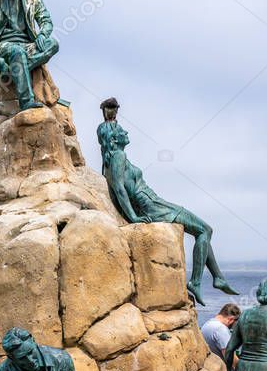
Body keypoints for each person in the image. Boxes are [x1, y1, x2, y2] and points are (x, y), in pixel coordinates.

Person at [101, 122, 238, 306]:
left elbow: (119, 187)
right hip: (152, 206)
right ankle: (197, 282)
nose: (125, 132)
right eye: (120, 131)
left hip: (152, 203)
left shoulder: (109, 160)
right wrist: (133, 217)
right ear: (113, 139)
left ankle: (217, 277)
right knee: (205, 230)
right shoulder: (119, 155)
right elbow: (119, 188)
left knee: (203, 231)